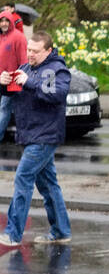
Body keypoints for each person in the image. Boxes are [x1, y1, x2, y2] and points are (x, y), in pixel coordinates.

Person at [0, 30, 71, 248]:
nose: (30, 54)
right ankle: (60, 231)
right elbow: (13, 92)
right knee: (49, 185)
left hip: (45, 136)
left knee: (22, 178)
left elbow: (54, 94)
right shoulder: (26, 68)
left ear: (48, 51)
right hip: (31, 135)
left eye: (35, 51)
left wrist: (28, 81)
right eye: (29, 49)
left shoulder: (56, 69)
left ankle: (12, 233)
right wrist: (4, 83)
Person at [0, 9, 27, 141]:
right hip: (2, 81)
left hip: (14, 81)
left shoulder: (18, 37)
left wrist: (20, 77)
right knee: (6, 109)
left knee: (8, 109)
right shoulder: (1, 36)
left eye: (6, 20)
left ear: (11, 21)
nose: (4, 23)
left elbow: (24, 60)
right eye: (1, 21)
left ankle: (23, 137)